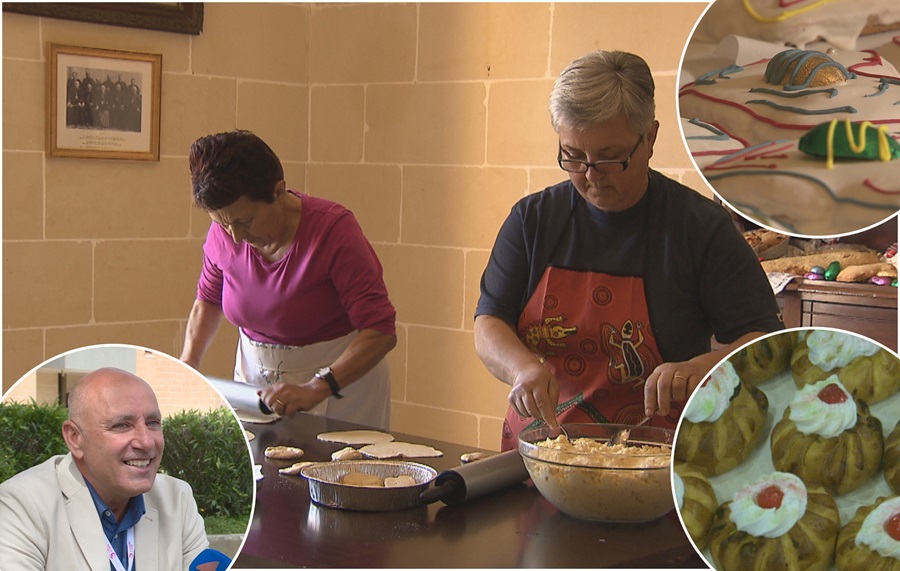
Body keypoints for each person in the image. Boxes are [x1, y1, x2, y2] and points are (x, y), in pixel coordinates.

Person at [473, 50, 783, 451]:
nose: (590, 176)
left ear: (650, 138)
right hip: (539, 455)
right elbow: (489, 323)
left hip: (654, 463)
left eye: (609, 158)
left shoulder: (700, 229)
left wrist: (699, 368)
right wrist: (522, 368)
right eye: (573, 157)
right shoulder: (533, 220)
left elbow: (766, 344)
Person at [180, 130, 397, 429]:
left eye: (244, 221)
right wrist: (188, 363)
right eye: (222, 223)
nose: (236, 236)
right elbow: (208, 299)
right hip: (255, 385)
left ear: (278, 191)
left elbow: (381, 331)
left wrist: (318, 388)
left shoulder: (334, 230)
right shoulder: (226, 232)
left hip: (341, 390)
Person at [0, 368, 208, 570]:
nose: (146, 442)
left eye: (153, 423)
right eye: (122, 425)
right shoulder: (20, 505)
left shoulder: (177, 499)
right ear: (75, 438)